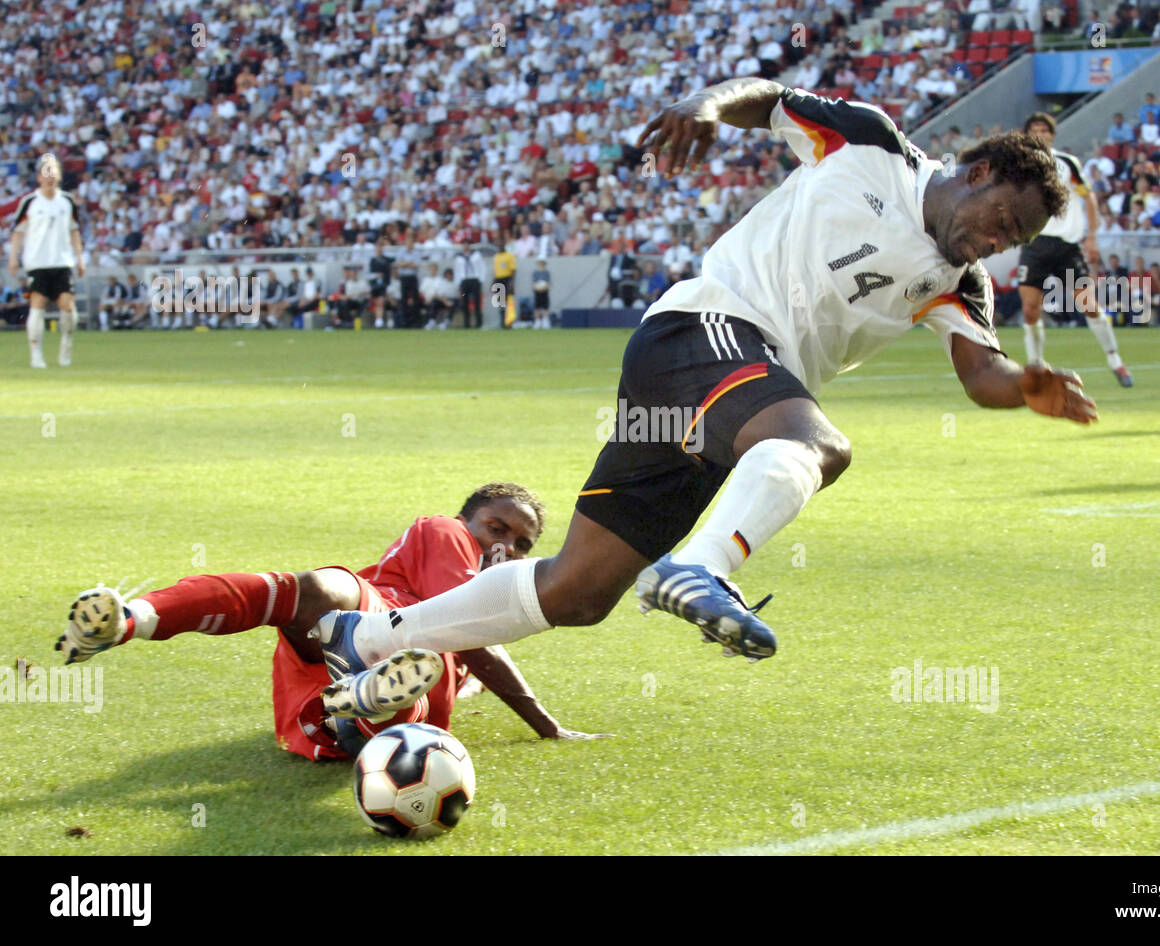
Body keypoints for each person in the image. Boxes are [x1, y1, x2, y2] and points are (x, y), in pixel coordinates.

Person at [304, 78, 1096, 692]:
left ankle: (369, 640)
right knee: (817, 443)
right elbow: (769, 99)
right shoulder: (872, 146)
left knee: (579, 591)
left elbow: (980, 372)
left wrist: (1027, 387)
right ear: (979, 171)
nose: (996, 245)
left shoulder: (959, 281)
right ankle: (705, 567)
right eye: (1001, 221)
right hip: (705, 327)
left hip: (723, 402)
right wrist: (703, 106)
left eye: (1012, 242)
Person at [55, 483, 607, 760]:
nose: (504, 547)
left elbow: (474, 643)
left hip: (373, 685)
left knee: (417, 660)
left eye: (521, 545)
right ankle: (126, 620)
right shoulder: (444, 531)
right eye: (496, 528)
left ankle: (368, 702)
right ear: (465, 520)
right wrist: (544, 724)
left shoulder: (483, 595)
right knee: (323, 591)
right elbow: (478, 636)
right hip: (362, 627)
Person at [1017, 113, 1134, 385]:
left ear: (1052, 135)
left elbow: (1088, 196)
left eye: (1045, 130)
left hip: (1067, 246)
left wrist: (1092, 237)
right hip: (1034, 244)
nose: (1040, 134)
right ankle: (1035, 365)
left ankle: (1115, 359)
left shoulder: (1067, 163)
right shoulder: (1018, 167)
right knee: (1030, 309)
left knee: (1089, 305)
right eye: (1034, 130)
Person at [8, 153, 85, 368]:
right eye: (46, 172)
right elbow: (17, 232)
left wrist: (80, 258)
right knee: (38, 306)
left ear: (59, 176)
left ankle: (66, 347)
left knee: (67, 306)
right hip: (37, 262)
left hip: (62, 261)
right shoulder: (30, 202)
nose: (50, 176)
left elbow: (75, 231)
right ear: (39, 177)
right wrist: (13, 258)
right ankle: (36, 355)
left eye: (54, 171)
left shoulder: (67, 201)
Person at [532, 259, 552, 329]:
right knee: (537, 306)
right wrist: (538, 288)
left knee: (545, 306)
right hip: (537, 291)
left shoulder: (547, 273)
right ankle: (537, 321)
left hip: (545, 291)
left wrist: (544, 288)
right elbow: (533, 283)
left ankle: (545, 321)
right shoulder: (535, 273)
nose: (541, 264)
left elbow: (549, 282)